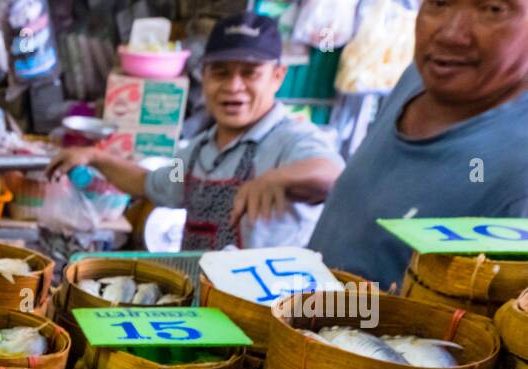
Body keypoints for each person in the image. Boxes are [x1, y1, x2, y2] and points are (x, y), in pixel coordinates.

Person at [48, 12, 343, 250]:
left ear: (277, 77)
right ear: (204, 76)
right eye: (221, 72)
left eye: (250, 73)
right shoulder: (194, 152)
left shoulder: (291, 140)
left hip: (265, 311)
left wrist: (280, 178)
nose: (233, 86)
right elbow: (151, 182)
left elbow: (332, 176)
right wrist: (94, 157)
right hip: (203, 307)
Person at [310, 0, 528, 289]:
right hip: (300, 316)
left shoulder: (519, 168)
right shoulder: (423, 75)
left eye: (492, 9)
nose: (451, 34)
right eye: (439, 3)